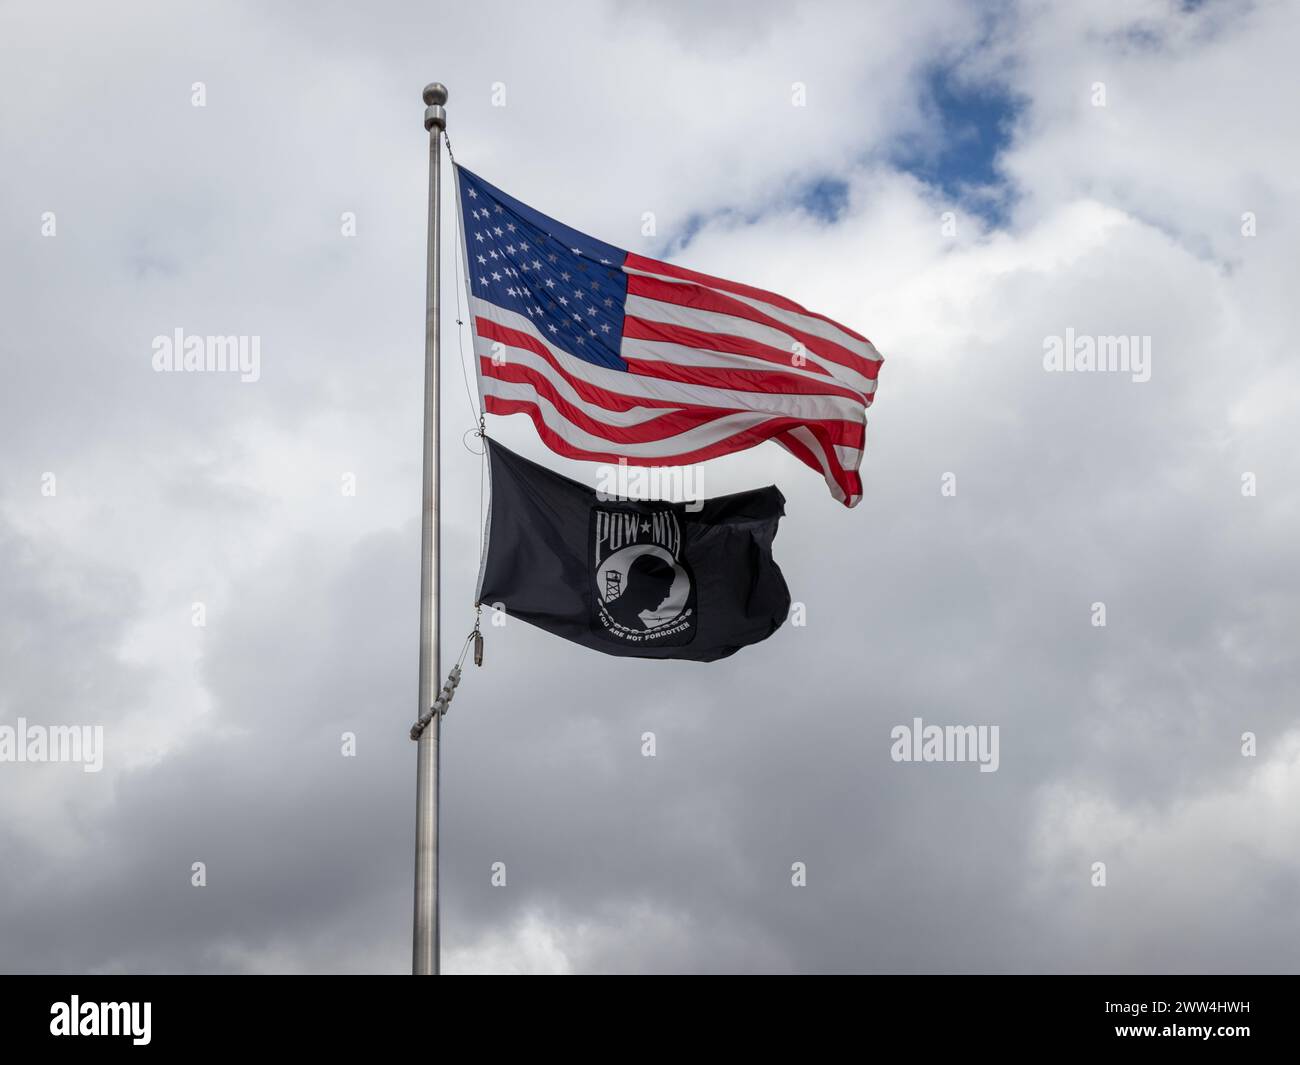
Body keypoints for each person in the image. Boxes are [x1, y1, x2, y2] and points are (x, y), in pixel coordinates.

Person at [605, 553, 675, 631]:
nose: (667, 595)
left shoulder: (605, 614)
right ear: (642, 584)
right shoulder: (635, 626)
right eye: (663, 587)